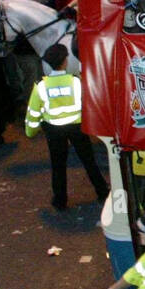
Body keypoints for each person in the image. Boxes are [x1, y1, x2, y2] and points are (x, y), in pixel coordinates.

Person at [23, 42, 109, 211]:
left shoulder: (41, 86)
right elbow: (88, 105)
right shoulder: (75, 82)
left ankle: (60, 200)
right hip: (76, 128)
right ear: (64, 62)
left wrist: (31, 131)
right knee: (89, 161)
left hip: (54, 130)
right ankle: (102, 191)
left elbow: (33, 113)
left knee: (58, 166)